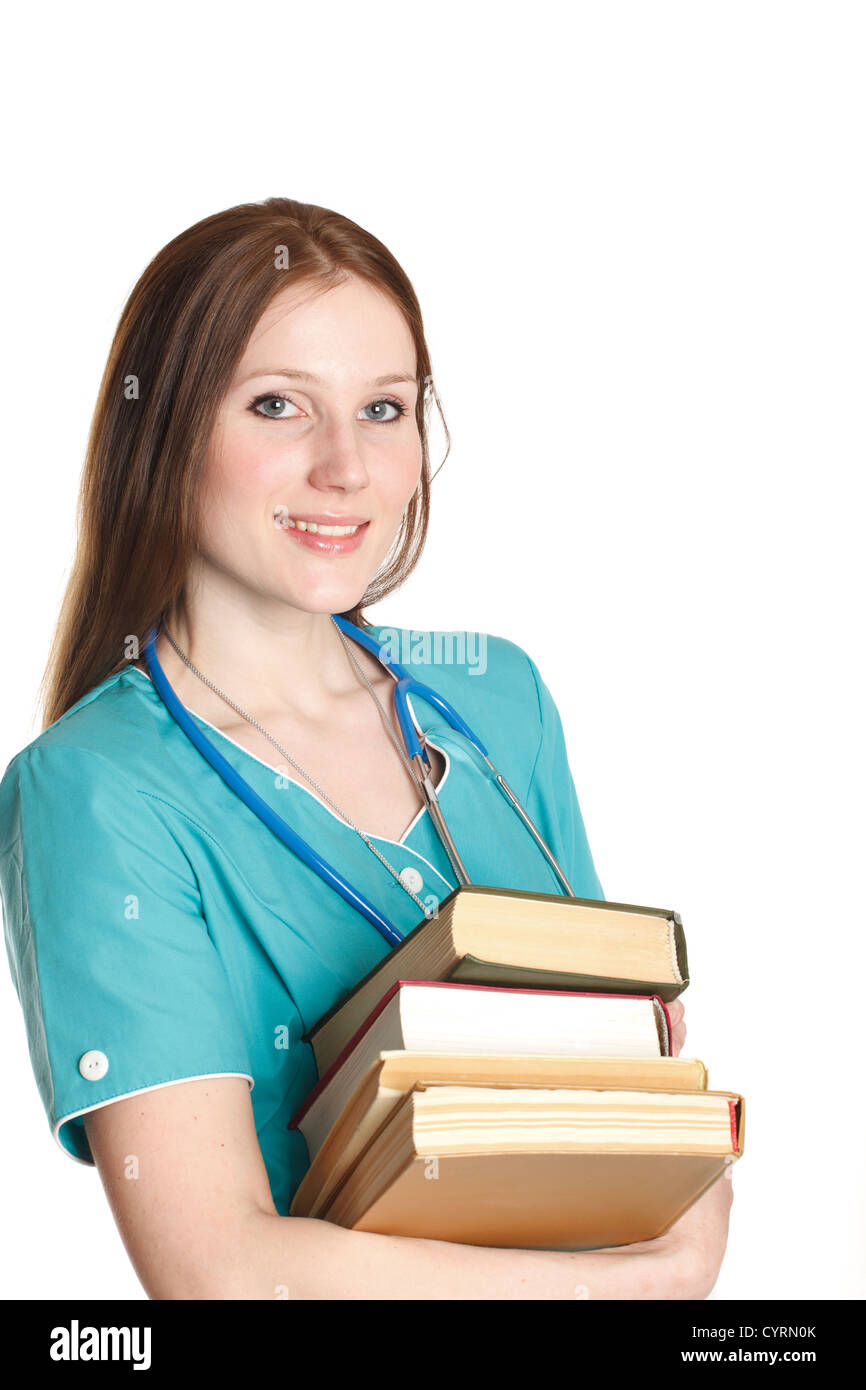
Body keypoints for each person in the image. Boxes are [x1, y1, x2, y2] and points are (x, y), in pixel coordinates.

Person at [0, 197, 731, 1299]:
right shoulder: (96, 792)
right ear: (166, 429)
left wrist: (690, 1199)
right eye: (278, 405)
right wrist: (622, 1289)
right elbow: (225, 1275)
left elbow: (637, 1080)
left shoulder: (497, 697)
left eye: (383, 408)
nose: (345, 467)